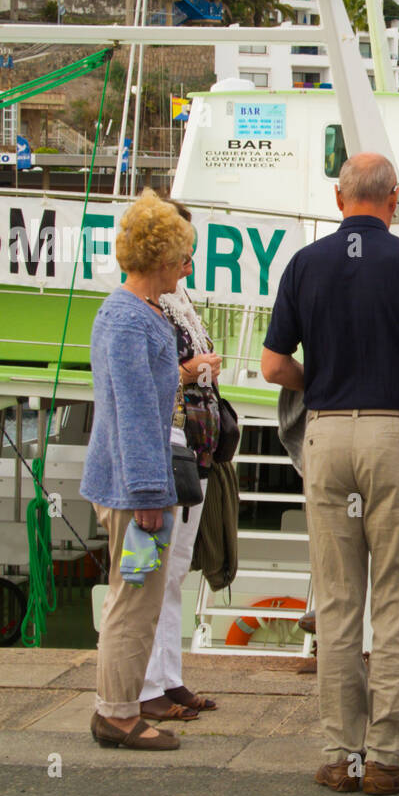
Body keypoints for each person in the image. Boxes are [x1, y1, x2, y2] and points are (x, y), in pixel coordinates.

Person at [261, 152, 399, 796]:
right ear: (393, 198)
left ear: (339, 198)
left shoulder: (305, 263)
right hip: (395, 431)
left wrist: (315, 383)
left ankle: (340, 754)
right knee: (398, 600)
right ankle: (387, 757)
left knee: (339, 600)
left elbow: (270, 366)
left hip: (326, 435)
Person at [80, 189, 195, 751]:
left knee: (134, 595)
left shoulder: (130, 312)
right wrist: (151, 493)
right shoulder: (129, 319)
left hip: (132, 484)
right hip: (136, 492)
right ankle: (119, 714)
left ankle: (117, 707)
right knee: (135, 598)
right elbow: (131, 410)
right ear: (161, 259)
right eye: (182, 257)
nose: (186, 267)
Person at [139, 198, 221, 722]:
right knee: (153, 573)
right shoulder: (141, 309)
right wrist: (193, 370)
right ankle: (146, 686)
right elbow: (146, 381)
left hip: (193, 451)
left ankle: (168, 678)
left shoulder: (178, 301)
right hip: (167, 453)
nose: (188, 263)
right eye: (183, 253)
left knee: (175, 570)